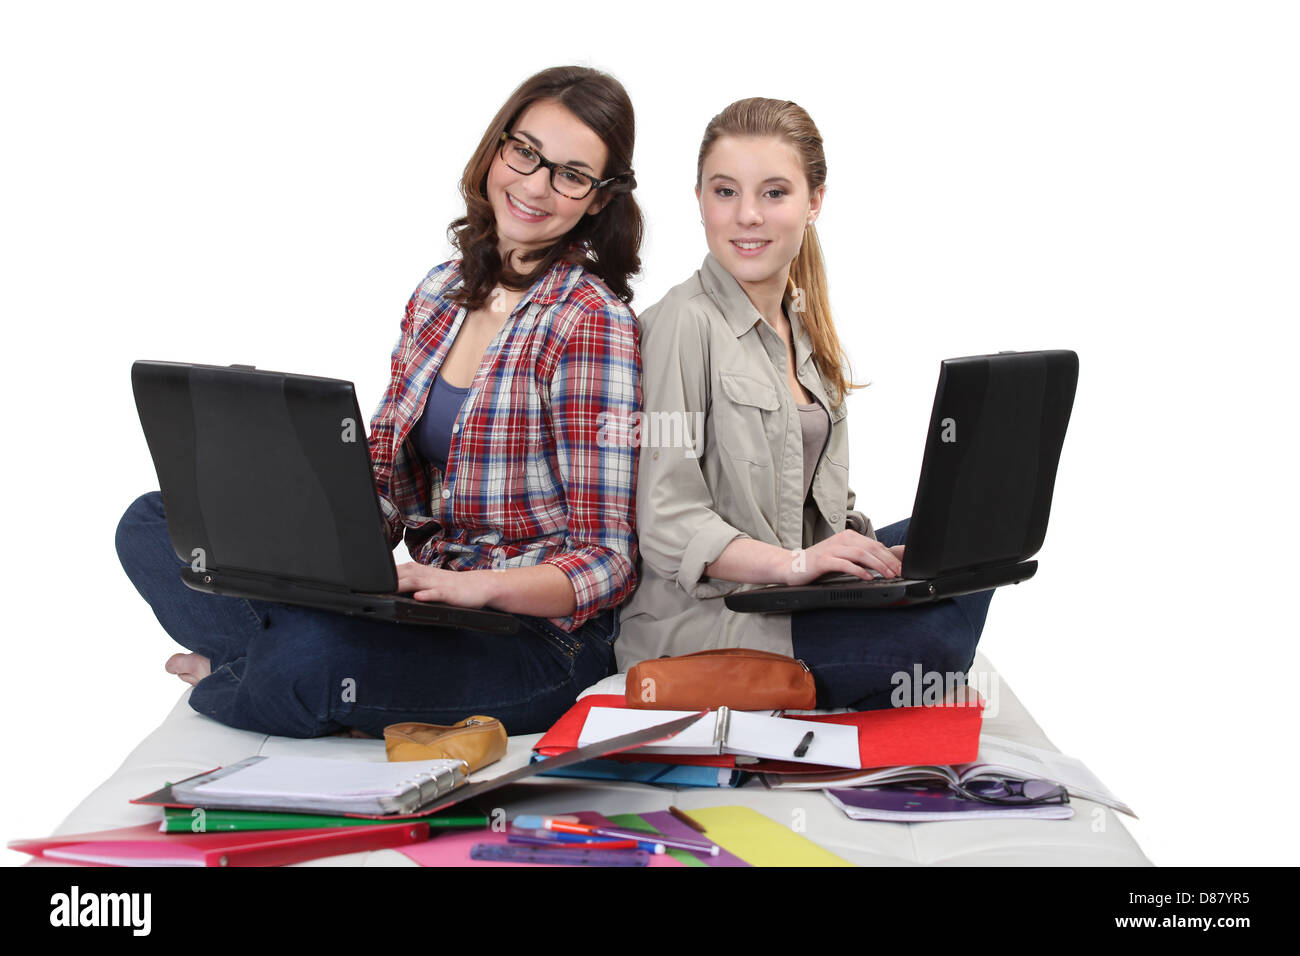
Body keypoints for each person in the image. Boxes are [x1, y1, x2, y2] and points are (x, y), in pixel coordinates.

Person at [116, 65, 643, 738]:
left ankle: (247, 670)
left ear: (597, 199)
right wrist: (309, 522)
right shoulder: (439, 293)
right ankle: (269, 663)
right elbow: (386, 477)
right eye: (526, 153)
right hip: (420, 599)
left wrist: (475, 586)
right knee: (155, 523)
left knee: (310, 662)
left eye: (571, 174)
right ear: (498, 147)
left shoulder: (590, 321)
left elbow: (608, 558)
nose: (535, 185)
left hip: (533, 638)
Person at [617, 97, 994, 710]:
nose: (746, 217)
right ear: (698, 198)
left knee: (967, 546)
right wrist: (795, 564)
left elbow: (820, 510)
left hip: (796, 590)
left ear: (814, 201)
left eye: (773, 193)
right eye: (725, 191)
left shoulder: (802, 326)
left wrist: (870, 554)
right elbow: (668, 526)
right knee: (934, 645)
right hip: (721, 622)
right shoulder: (682, 324)